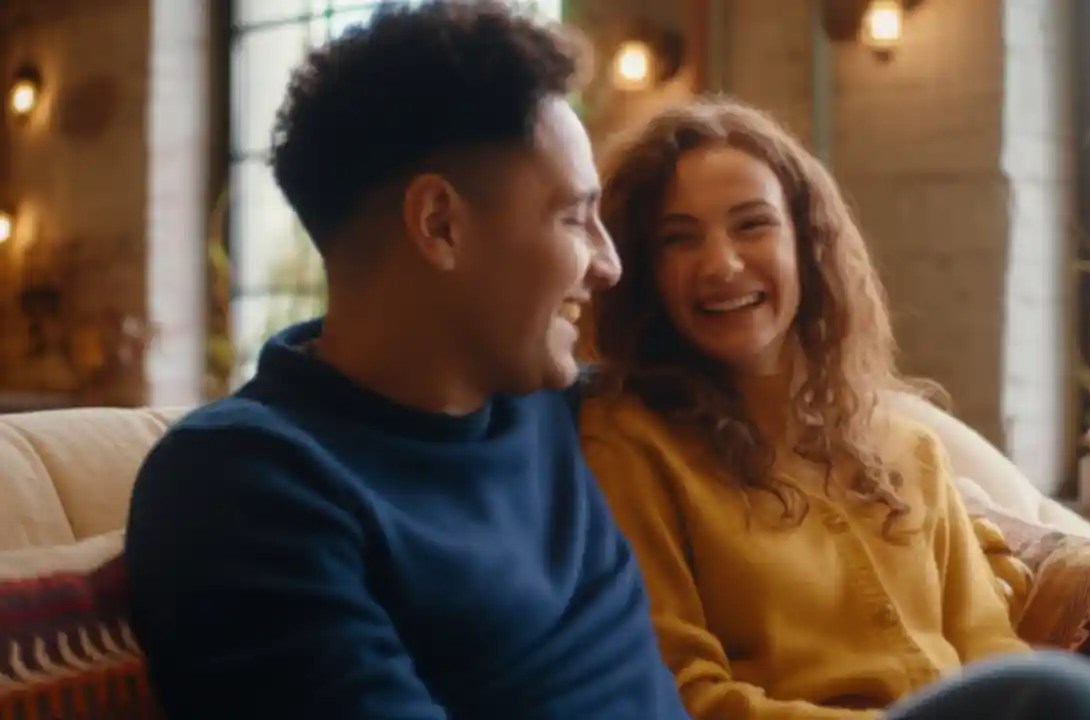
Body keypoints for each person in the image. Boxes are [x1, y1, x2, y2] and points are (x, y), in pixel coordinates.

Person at [124, 3, 689, 718]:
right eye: (575, 217)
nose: (608, 265)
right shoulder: (241, 488)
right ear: (440, 224)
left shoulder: (545, 402)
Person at [579, 98, 1090, 720]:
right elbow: (684, 695)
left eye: (752, 225)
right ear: (645, 270)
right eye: (679, 239)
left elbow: (990, 651)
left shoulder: (909, 450)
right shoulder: (628, 446)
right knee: (1077, 697)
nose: (721, 264)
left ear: (807, 243)